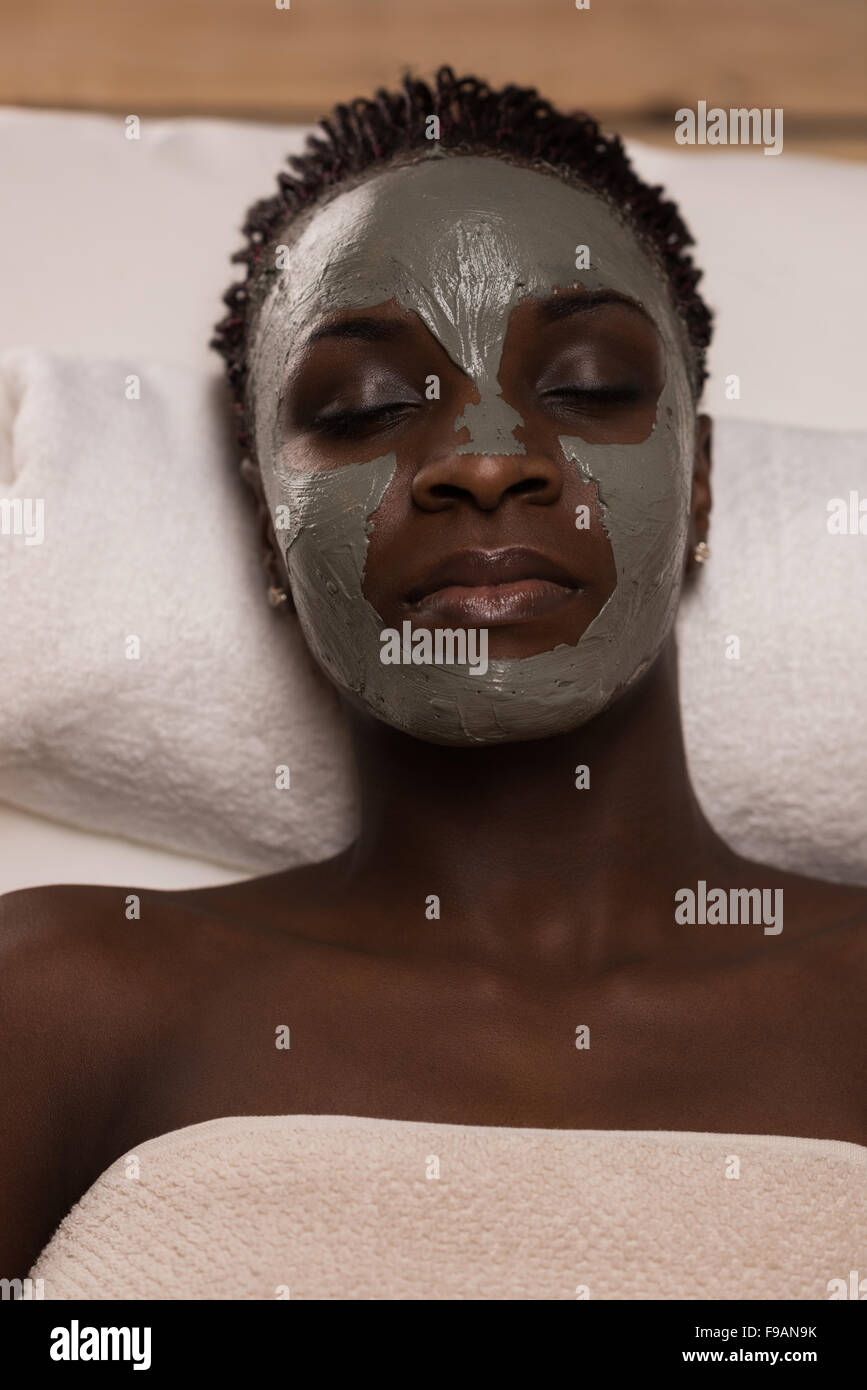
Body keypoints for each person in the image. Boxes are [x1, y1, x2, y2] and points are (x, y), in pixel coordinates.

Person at [1, 67, 864, 1294]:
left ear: (703, 480)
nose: (482, 459)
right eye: (360, 408)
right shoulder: (66, 990)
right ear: (268, 528)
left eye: (586, 388)